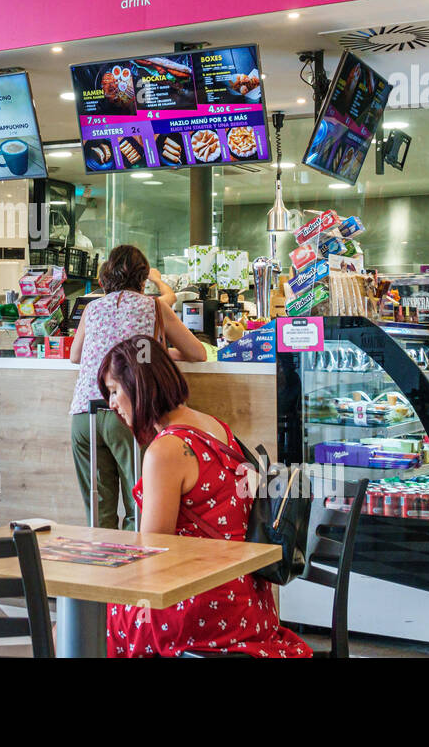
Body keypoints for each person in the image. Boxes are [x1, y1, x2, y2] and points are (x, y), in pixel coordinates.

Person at [99, 336, 311, 658]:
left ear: (138, 386)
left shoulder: (166, 450)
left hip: (203, 610)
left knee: (83, 620)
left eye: (114, 391)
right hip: (252, 607)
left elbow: (153, 553)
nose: (112, 404)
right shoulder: (217, 426)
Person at [68, 245, 206, 530]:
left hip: (83, 416)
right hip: (127, 413)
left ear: (106, 277)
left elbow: (75, 355)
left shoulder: (92, 308)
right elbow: (197, 352)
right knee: (140, 507)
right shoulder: (154, 306)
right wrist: (160, 351)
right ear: (143, 279)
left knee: (98, 512)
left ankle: (101, 570)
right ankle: (135, 571)